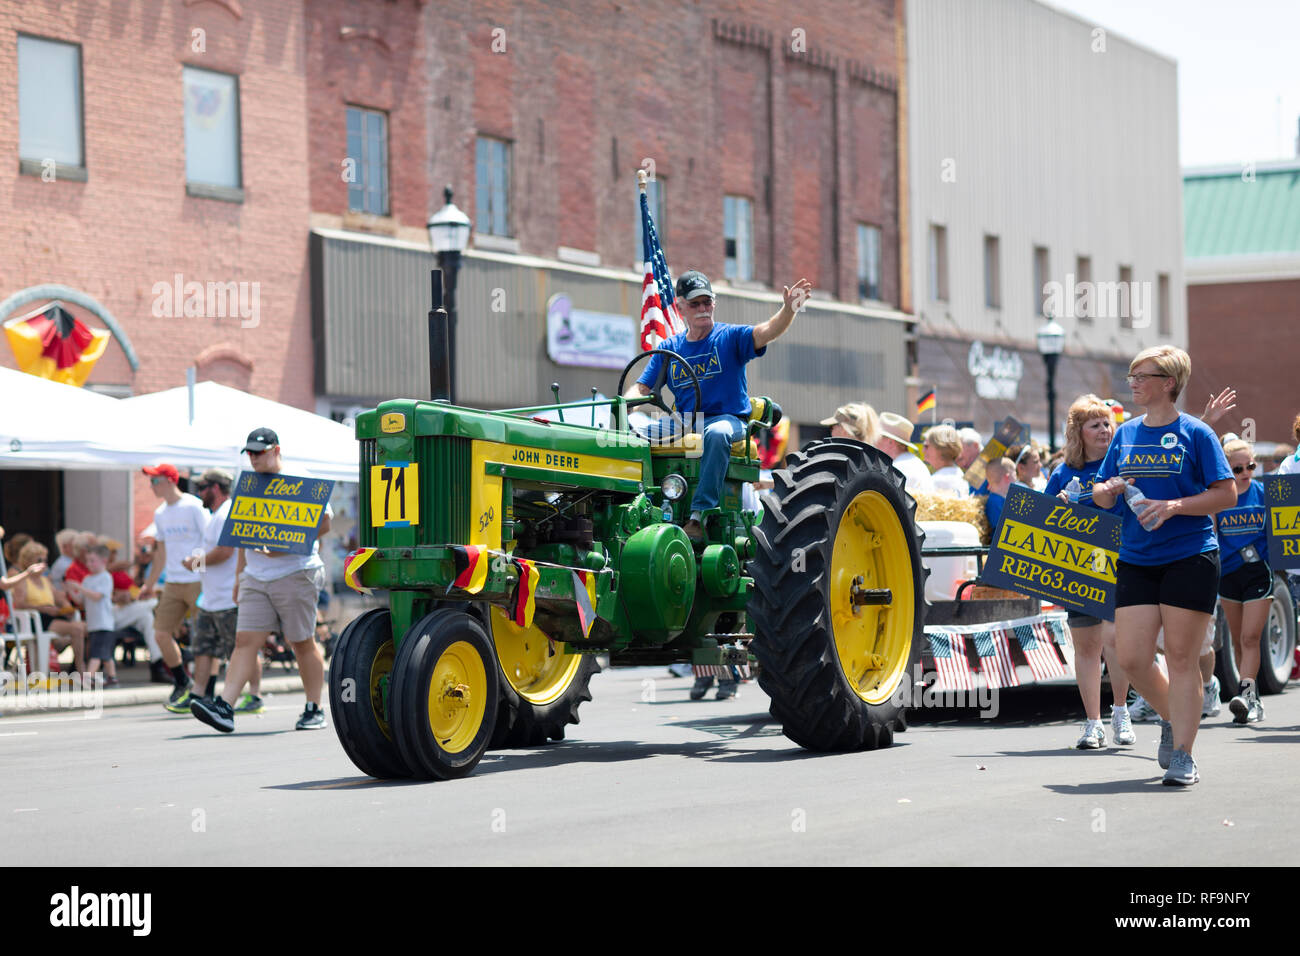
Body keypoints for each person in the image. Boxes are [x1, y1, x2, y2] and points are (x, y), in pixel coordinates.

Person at [1092, 346, 1236, 786]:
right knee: (1132, 656)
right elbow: (1099, 492)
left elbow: (1227, 494)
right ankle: (1172, 716)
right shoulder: (1127, 433)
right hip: (1137, 557)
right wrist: (1109, 489)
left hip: (1190, 556)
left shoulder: (1196, 433)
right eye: (1131, 375)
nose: (1132, 382)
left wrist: (1175, 505)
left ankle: (1185, 755)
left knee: (1180, 656)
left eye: (1141, 375)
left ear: (1168, 383)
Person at [622, 270, 811, 541]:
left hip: (728, 419)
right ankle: (640, 507)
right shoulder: (670, 348)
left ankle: (699, 516)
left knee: (718, 433)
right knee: (629, 432)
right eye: (695, 303)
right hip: (683, 421)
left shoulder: (730, 337)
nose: (702, 309)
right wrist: (624, 407)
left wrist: (788, 309)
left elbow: (767, 331)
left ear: (714, 303)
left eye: (707, 302)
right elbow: (641, 389)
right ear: (680, 307)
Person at [191, 427, 334, 732]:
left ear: (276, 450)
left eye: (259, 452)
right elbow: (243, 534)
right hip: (256, 576)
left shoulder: (300, 476)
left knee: (300, 642)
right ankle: (225, 706)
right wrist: (240, 576)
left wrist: (286, 544)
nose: (254, 458)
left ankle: (314, 707)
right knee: (244, 641)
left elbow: (325, 522)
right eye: (250, 453)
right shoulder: (249, 484)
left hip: (296, 573)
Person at [1044, 394, 1133, 749]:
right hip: (1078, 567)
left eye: (1107, 423)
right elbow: (1041, 518)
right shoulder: (1062, 473)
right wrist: (1056, 506)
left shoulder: (1124, 465)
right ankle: (1092, 722)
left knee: (1115, 640)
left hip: (1121, 562)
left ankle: (1121, 711)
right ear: (1078, 432)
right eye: (1095, 424)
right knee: (1086, 646)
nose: (1103, 429)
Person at [184, 468, 264, 713]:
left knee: (240, 649)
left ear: (215, 488)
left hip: (228, 595)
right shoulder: (215, 515)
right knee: (203, 648)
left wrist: (195, 563)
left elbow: (225, 551)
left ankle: (255, 695)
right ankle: (196, 695)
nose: (199, 493)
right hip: (211, 597)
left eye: (202, 488)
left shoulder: (226, 513)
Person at [137, 463, 210, 712]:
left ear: (170, 480)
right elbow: (160, 554)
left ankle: (205, 690)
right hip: (173, 582)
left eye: (155, 481)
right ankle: (182, 680)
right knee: (160, 633)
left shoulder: (193, 506)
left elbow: (211, 542)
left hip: (198, 580)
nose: (151, 486)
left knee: (203, 639)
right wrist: (148, 585)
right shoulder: (160, 513)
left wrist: (198, 565)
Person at [1214, 439, 1271, 723]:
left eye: (1250, 465)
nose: (1246, 472)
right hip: (1229, 574)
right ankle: (1253, 701)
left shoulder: (1264, 494)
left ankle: (1246, 695)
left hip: (1259, 574)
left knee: (1250, 637)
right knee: (1237, 641)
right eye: (1238, 468)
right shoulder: (1221, 497)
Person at [9, 541, 86, 673]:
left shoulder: (45, 580)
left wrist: (67, 607)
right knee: (78, 629)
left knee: (85, 627)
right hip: (37, 619)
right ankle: (81, 670)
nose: (43, 563)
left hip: (51, 616)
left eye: (45, 560)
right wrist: (43, 608)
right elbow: (19, 604)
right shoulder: (22, 580)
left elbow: (59, 598)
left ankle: (62, 646)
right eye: (39, 560)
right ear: (27, 561)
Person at [70, 544, 118, 687]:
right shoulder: (87, 580)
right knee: (105, 654)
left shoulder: (106, 577)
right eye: (88, 561)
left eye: (93, 560)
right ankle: (112, 677)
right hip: (93, 623)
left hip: (104, 623)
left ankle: (89, 677)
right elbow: (80, 600)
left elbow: (97, 596)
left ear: (104, 561)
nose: (89, 564)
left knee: (96, 653)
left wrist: (79, 588)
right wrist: (71, 590)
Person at [875, 412, 933, 494]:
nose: (874, 442)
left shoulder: (896, 468)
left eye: (877, 437)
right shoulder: (914, 463)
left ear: (891, 442)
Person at [921, 424, 969, 495]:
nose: (923, 450)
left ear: (941, 448)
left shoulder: (936, 481)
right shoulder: (959, 475)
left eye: (926, 446)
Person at [983, 457, 1014, 530]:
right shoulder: (994, 501)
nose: (1016, 477)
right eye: (1015, 473)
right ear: (1007, 477)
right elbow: (998, 529)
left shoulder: (1000, 499)